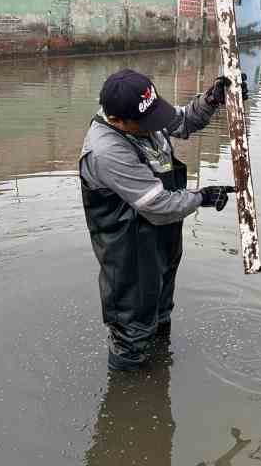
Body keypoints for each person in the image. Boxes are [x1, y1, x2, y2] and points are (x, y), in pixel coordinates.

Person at [80, 68, 238, 370]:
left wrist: (212, 99)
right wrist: (202, 197)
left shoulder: (141, 113)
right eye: (147, 122)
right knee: (133, 326)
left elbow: (182, 121)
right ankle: (129, 400)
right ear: (117, 121)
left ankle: (159, 372)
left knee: (161, 307)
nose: (156, 125)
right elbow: (158, 205)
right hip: (129, 249)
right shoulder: (106, 151)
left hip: (162, 238)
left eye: (156, 115)